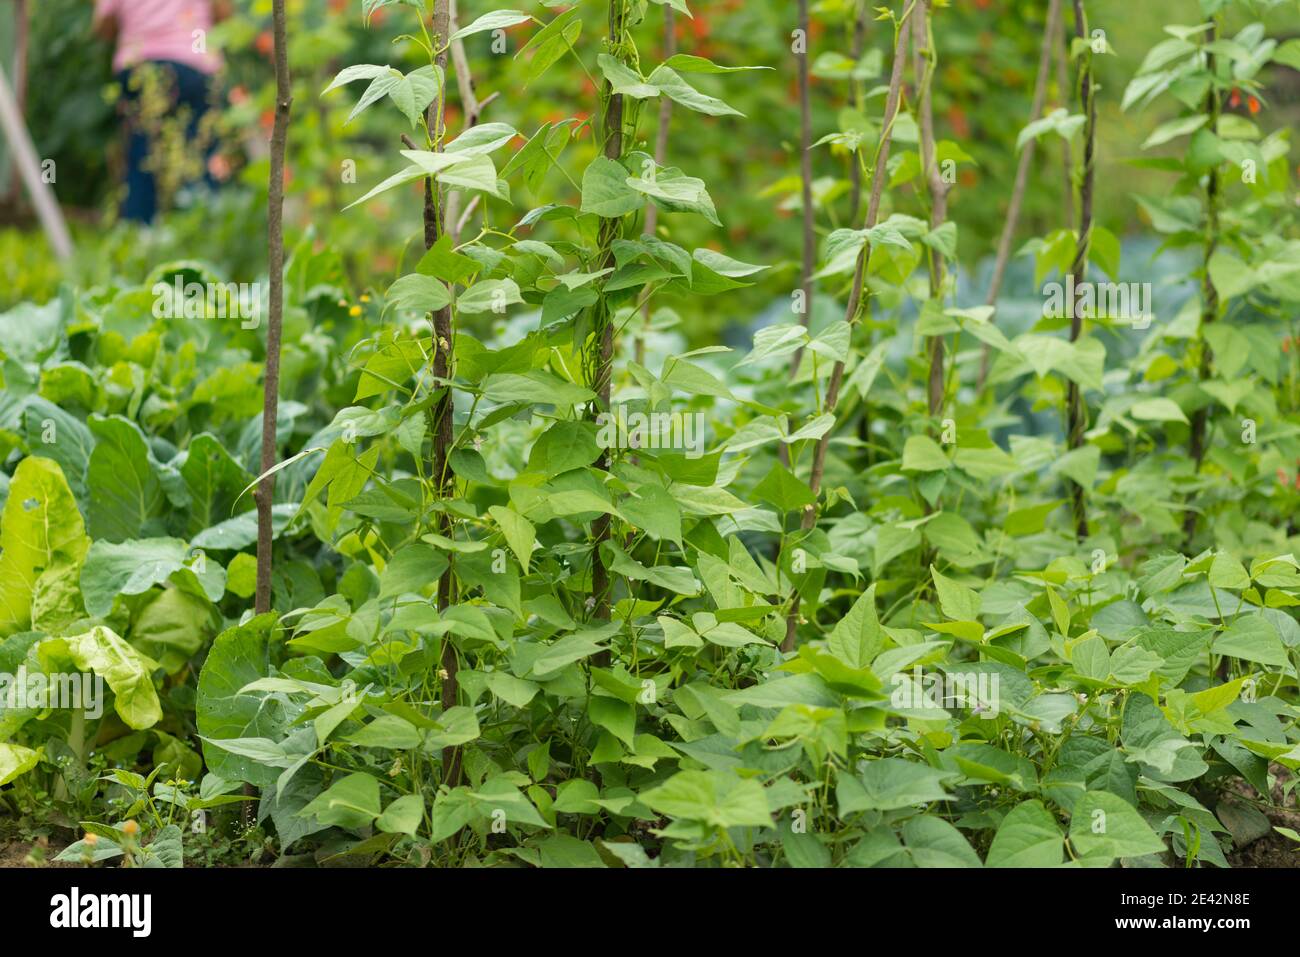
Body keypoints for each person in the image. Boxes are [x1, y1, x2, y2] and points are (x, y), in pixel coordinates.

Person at [92, 0, 233, 223]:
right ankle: (201, 228)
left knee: (141, 155)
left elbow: (104, 26)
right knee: (200, 151)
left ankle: (140, 234)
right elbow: (224, 13)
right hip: (194, 59)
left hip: (139, 62)